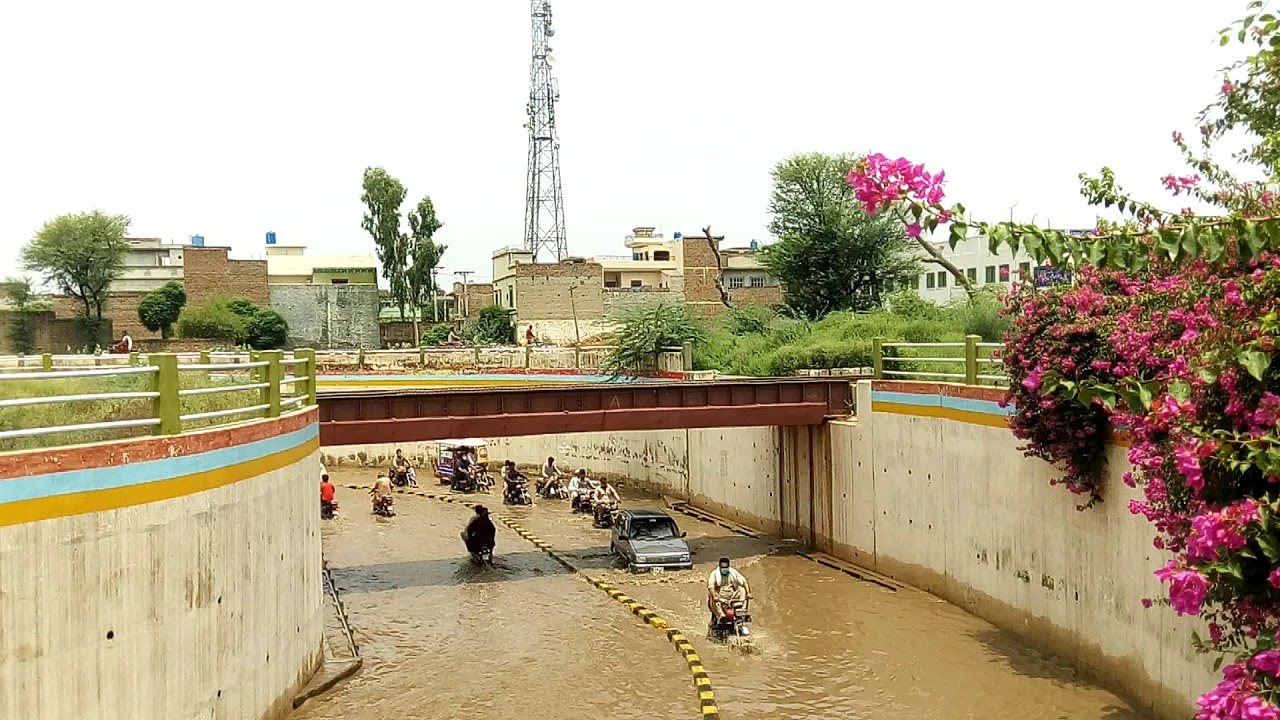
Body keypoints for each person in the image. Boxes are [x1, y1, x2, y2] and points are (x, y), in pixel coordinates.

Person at [707, 557, 752, 624]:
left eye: (726, 567)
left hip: (732, 596)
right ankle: (721, 616)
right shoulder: (714, 574)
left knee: (742, 589)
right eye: (723, 567)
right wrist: (714, 596)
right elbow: (710, 586)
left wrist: (748, 593)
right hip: (720, 597)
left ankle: (742, 611)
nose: (724, 569)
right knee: (711, 595)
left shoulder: (733, 573)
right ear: (720, 567)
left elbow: (744, 581)